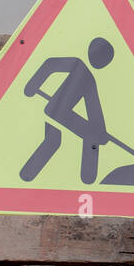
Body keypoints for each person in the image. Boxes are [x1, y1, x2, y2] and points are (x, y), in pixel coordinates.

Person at [20, 38, 114, 184]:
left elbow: (93, 108)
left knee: (58, 140)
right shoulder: (78, 66)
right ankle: (26, 176)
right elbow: (49, 65)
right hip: (56, 110)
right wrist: (32, 86)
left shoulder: (89, 79)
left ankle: (87, 176)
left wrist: (100, 131)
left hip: (61, 114)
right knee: (55, 141)